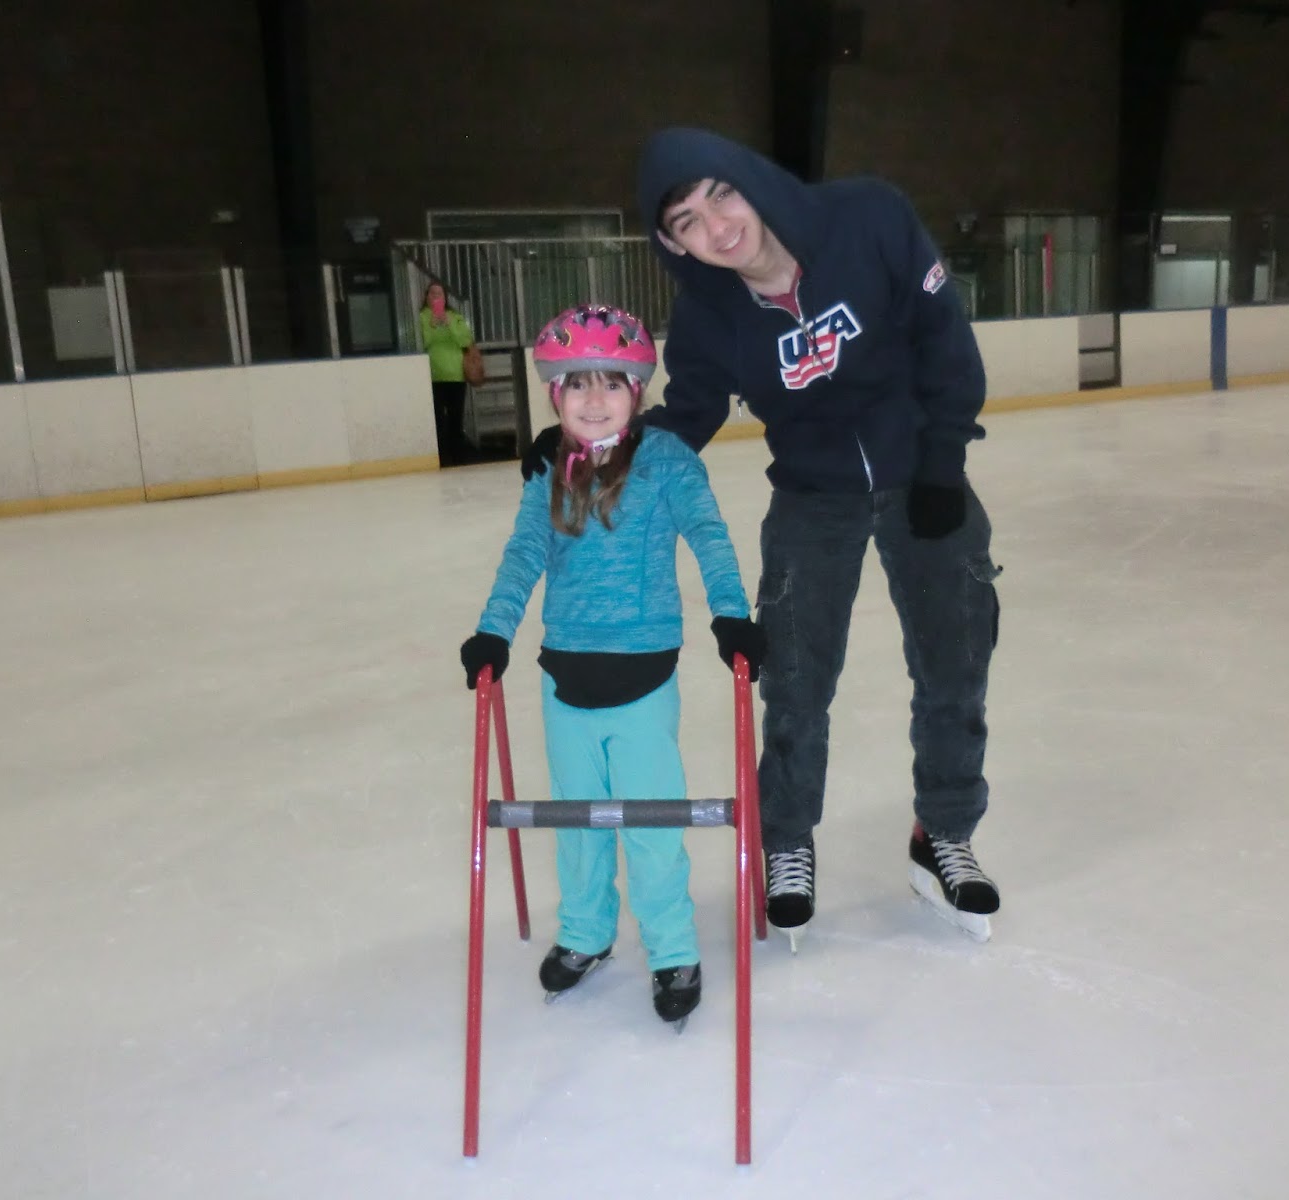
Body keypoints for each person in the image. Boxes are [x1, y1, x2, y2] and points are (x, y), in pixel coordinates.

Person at [525, 128, 1002, 946]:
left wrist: (942, 459)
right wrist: (600, 446)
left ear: (750, 181)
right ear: (674, 245)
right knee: (794, 680)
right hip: (813, 498)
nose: (715, 227)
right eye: (685, 222)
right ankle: (787, 842)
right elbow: (692, 413)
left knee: (955, 661)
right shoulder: (710, 313)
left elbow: (943, 339)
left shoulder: (870, 219)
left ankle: (943, 834)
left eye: (720, 195)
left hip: (924, 470)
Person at [462, 304, 765, 1028]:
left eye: (610, 384)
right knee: (577, 820)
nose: (592, 401)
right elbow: (524, 554)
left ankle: (671, 950)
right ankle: (586, 934)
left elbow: (711, 537)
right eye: (574, 385)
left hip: (643, 676)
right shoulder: (549, 469)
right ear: (552, 396)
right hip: (564, 674)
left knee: (652, 824)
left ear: (638, 391)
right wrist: (493, 631)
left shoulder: (667, 462)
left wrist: (731, 615)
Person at [418, 281, 475, 466]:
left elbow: (465, 340)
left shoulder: (455, 317)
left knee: (455, 418)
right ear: (426, 297)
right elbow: (424, 342)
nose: (435, 297)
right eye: (432, 293)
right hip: (433, 376)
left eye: (439, 294)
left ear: (445, 298)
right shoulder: (422, 317)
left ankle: (458, 456)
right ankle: (442, 457)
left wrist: (449, 324)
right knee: (438, 420)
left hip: (456, 375)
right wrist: (433, 327)